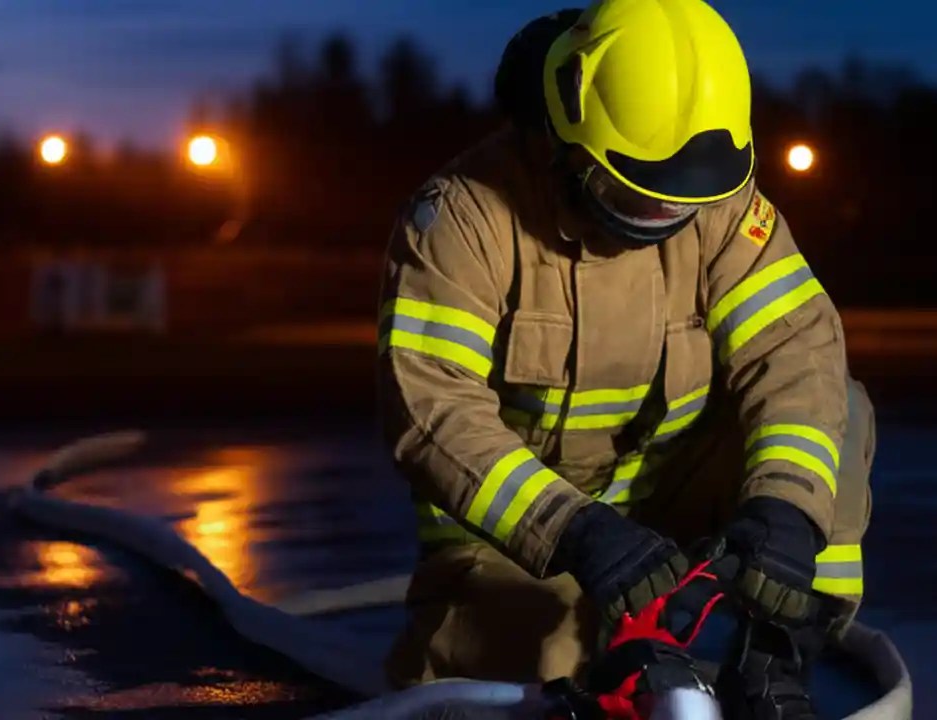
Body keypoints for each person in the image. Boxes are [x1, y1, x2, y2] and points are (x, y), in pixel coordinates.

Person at [375, 1, 876, 717]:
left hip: (670, 503)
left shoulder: (723, 206)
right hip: (522, 535)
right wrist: (572, 528)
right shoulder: (462, 219)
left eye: (682, 203)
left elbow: (796, 350)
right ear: (565, 139)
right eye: (637, 198)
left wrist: (785, 510)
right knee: (526, 697)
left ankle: (776, 657)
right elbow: (430, 411)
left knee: (840, 411)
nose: (664, 221)